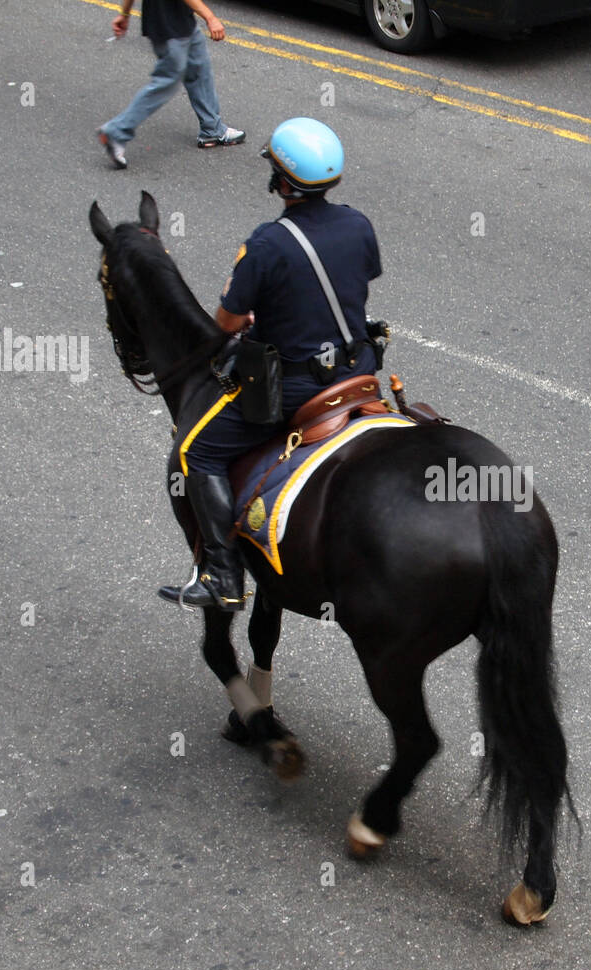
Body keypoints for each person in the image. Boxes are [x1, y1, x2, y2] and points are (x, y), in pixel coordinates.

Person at [158, 117, 384, 611]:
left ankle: (222, 575)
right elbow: (357, 281)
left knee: (195, 451)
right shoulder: (358, 223)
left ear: (282, 181)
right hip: (359, 372)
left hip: (300, 387)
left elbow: (227, 322)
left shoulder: (266, 244)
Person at [97, 0, 244, 169]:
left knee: (198, 66)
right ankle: (116, 132)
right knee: (166, 83)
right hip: (168, 27)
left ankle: (212, 129)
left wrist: (124, 14)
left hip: (180, 20)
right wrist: (210, 18)